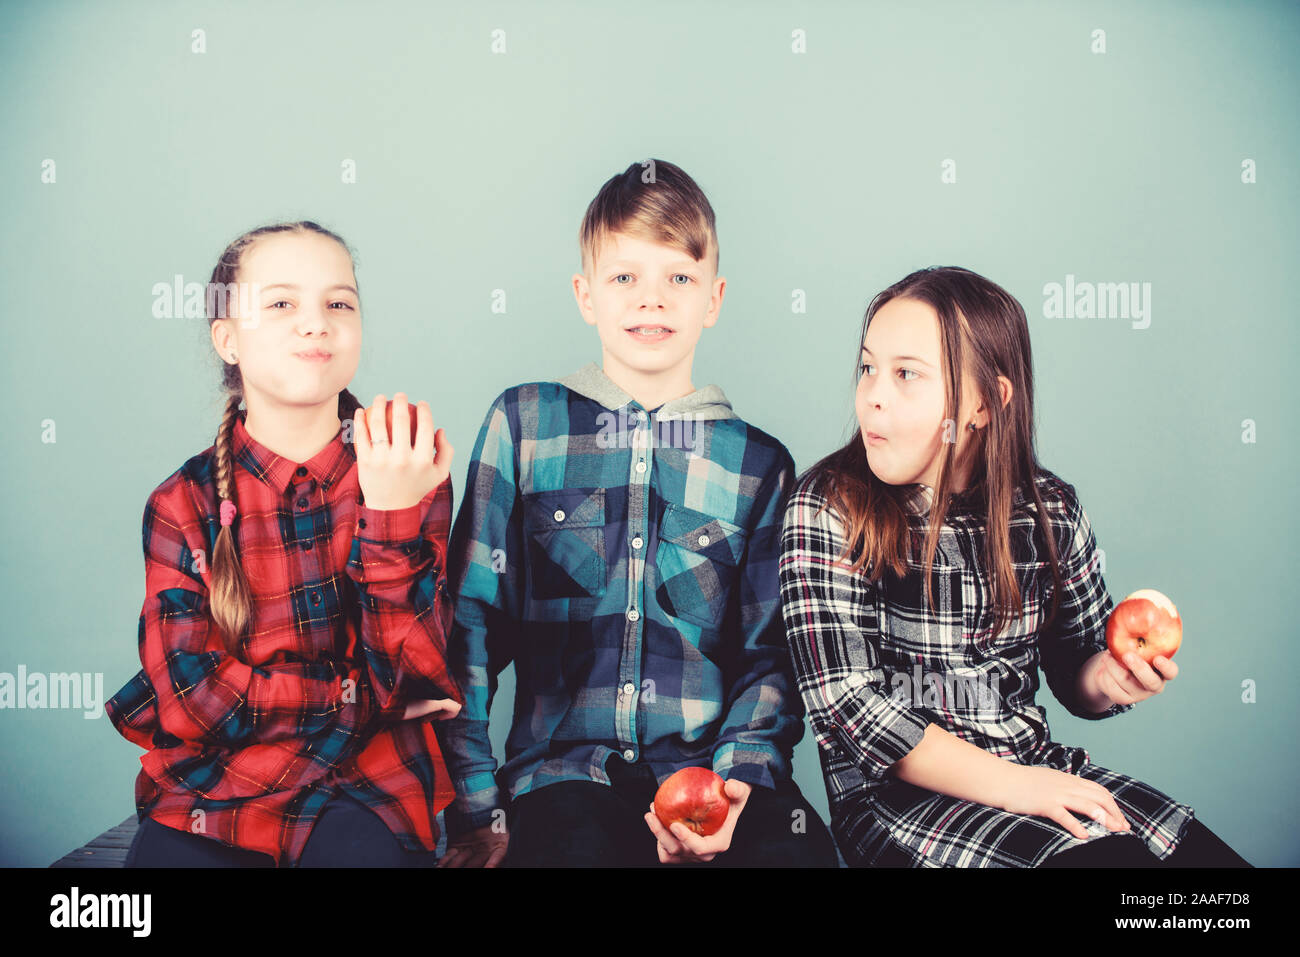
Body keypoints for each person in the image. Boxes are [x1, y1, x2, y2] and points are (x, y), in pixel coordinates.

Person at [778, 266, 1250, 868]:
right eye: (868, 367)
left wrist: (1111, 679)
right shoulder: (829, 507)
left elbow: (1077, 667)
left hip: (1036, 770)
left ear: (985, 402)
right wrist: (1021, 788)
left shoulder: (1048, 509)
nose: (872, 393)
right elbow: (852, 709)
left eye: (906, 375)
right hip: (903, 803)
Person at [436, 159, 837, 867]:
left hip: (708, 769)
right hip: (563, 777)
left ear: (713, 298)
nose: (651, 300)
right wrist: (475, 802)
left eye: (678, 279)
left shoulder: (757, 464)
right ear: (585, 294)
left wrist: (738, 780)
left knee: (798, 857)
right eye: (625, 278)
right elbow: (467, 625)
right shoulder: (525, 423)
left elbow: (768, 659)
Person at [105, 221, 463, 867]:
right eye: (281, 303)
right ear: (228, 338)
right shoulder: (179, 503)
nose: (316, 323)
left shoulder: (408, 469)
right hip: (217, 788)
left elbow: (416, 673)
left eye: (339, 302)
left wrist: (387, 513)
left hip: (367, 784)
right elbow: (193, 700)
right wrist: (355, 696)